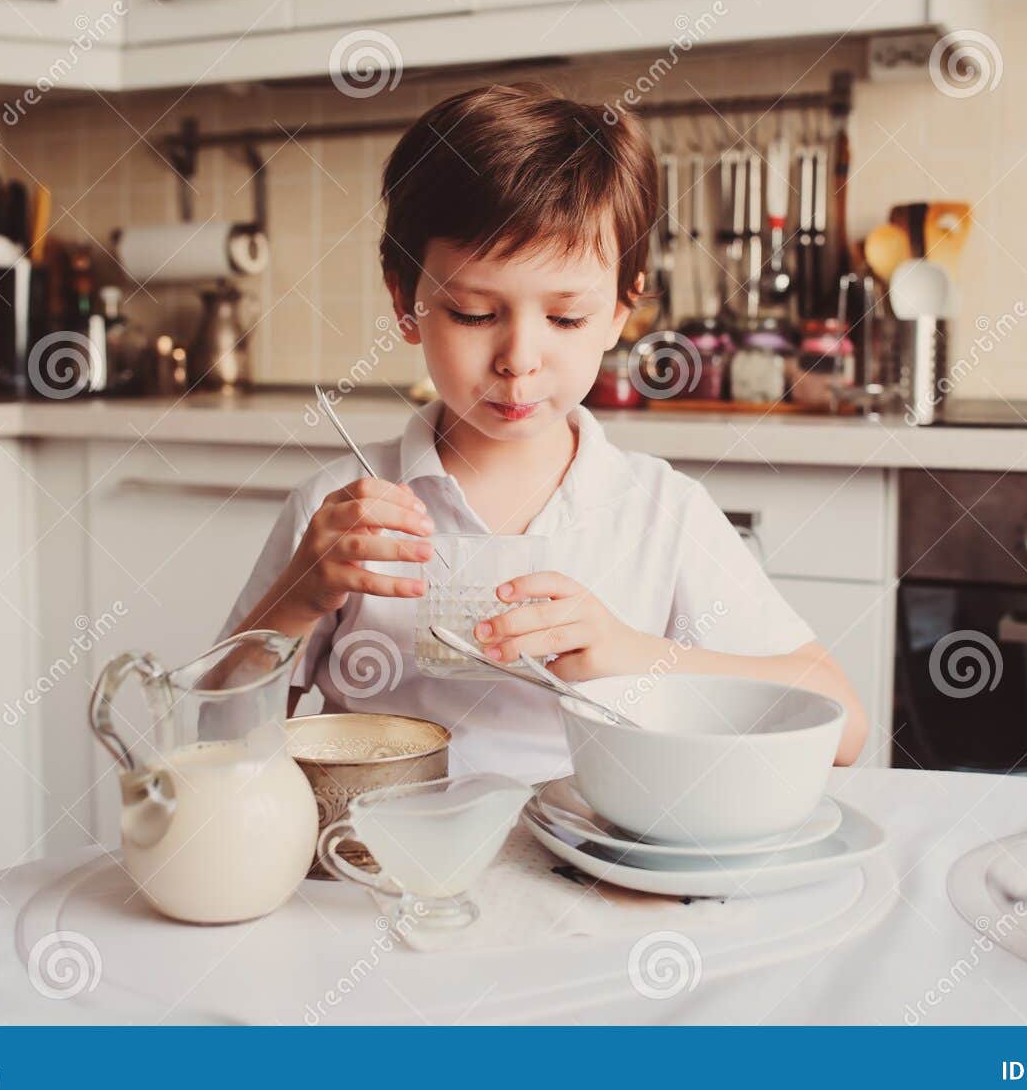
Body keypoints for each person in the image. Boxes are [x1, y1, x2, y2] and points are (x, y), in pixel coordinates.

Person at [219, 82, 865, 781]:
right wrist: (296, 601)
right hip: (383, 868)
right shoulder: (342, 514)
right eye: (472, 312)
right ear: (406, 300)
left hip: (593, 874)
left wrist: (633, 653)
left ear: (623, 308)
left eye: (565, 318)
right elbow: (220, 741)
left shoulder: (658, 514)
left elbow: (843, 727)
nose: (519, 360)